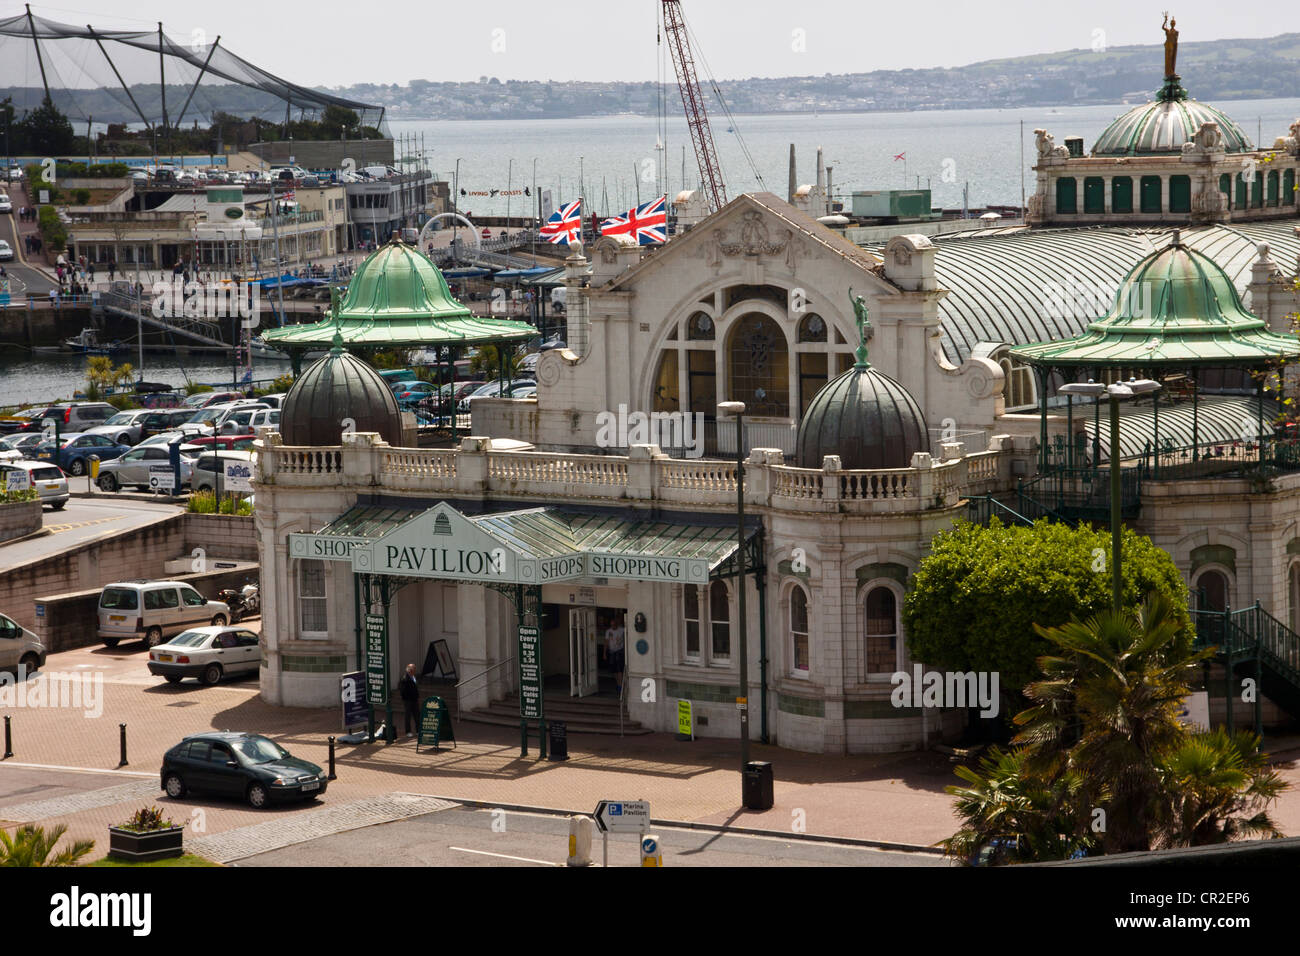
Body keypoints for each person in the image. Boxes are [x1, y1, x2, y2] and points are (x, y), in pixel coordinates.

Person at [604, 615, 627, 697]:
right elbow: (606, 642)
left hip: (619, 651)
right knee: (614, 671)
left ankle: (620, 686)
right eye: (611, 625)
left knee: (619, 669)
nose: (613, 627)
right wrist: (604, 653)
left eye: (614, 625)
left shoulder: (621, 630)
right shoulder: (608, 631)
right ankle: (618, 684)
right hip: (611, 652)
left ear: (617, 624)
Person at [399, 663, 420, 738]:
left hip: (414, 699)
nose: (414, 671)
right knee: (408, 715)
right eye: (413, 669)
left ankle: (418, 730)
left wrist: (417, 696)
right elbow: (402, 690)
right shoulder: (405, 679)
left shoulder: (414, 677)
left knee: (417, 715)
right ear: (409, 670)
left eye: (414, 669)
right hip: (408, 700)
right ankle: (408, 731)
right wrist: (406, 698)